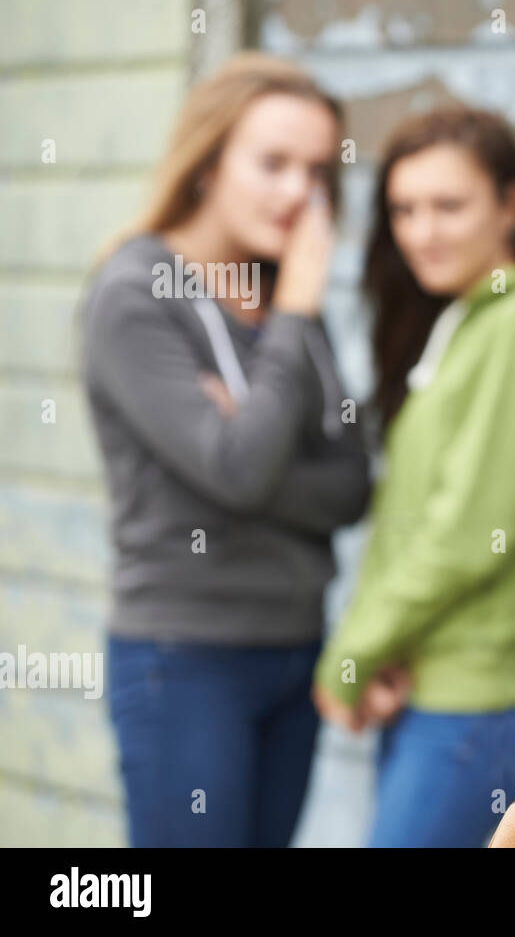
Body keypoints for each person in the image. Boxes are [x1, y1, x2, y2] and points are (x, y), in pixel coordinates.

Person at [79, 52, 371, 846]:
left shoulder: (278, 296)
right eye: (271, 162)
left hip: (294, 649)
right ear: (207, 162)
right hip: (186, 657)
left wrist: (248, 444)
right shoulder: (135, 292)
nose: (296, 193)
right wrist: (250, 447)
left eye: (315, 170)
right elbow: (240, 469)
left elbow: (350, 485)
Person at [311, 107, 515, 847]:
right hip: (437, 682)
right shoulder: (472, 318)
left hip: (484, 695)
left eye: (449, 206)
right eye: (404, 209)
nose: (422, 232)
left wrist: (351, 656)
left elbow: (472, 531)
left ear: (511, 204)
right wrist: (391, 648)